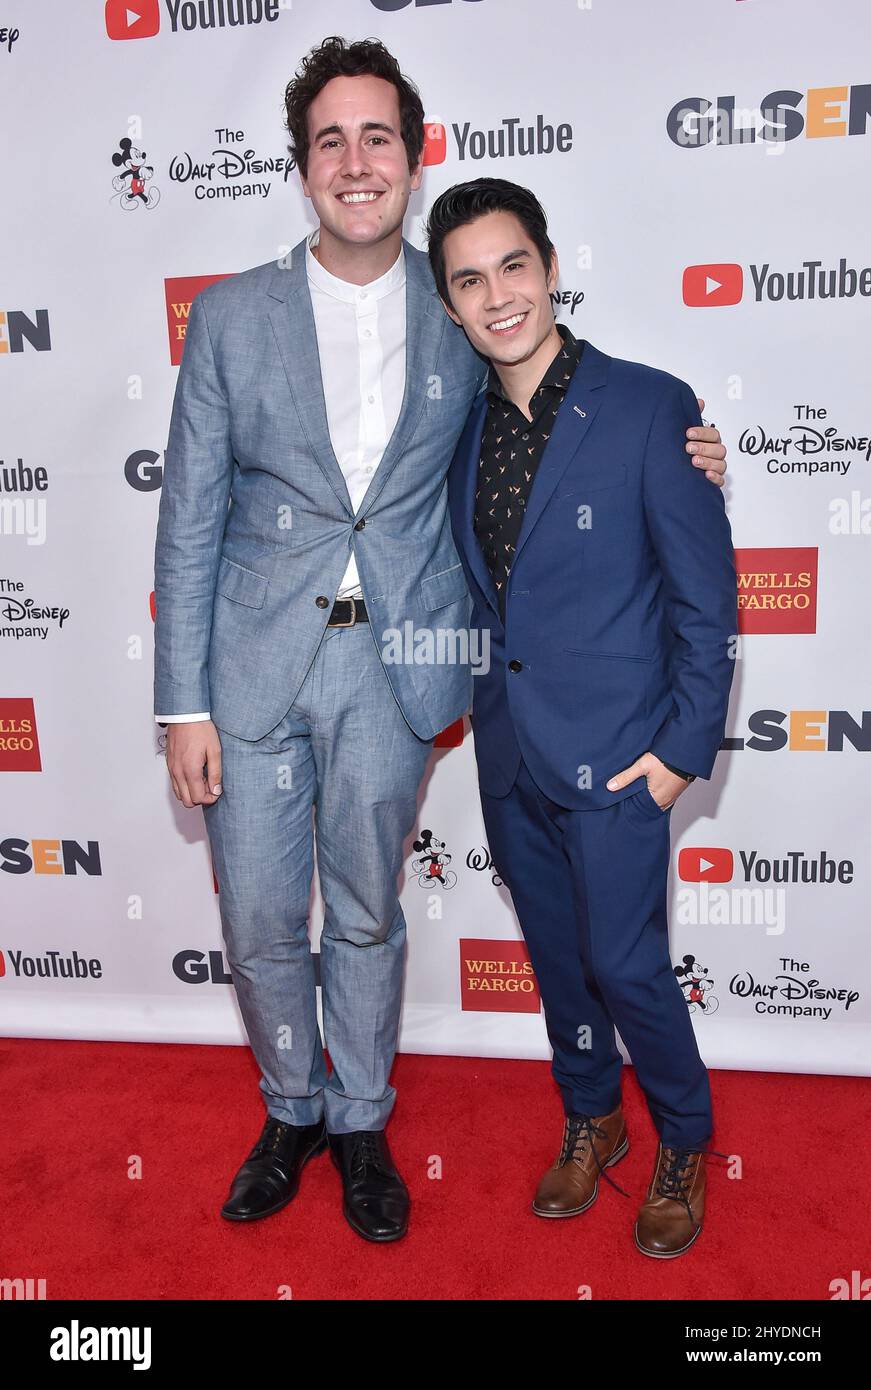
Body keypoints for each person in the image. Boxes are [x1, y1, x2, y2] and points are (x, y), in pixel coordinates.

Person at [153, 37, 728, 1245]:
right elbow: (188, 515)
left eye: (379, 137)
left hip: (398, 662)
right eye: (330, 140)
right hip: (251, 665)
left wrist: (695, 449)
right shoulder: (230, 317)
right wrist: (181, 704)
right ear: (301, 165)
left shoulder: (455, 300)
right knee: (259, 917)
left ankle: (360, 1123)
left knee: (365, 909)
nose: (356, 162)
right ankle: (290, 1108)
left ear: (414, 157)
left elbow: (575, 408)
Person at [428, 177, 737, 1258]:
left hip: (620, 756)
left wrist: (678, 753)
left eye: (513, 265)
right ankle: (593, 1116)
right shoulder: (456, 434)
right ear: (450, 303)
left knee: (628, 962)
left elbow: (706, 601)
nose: (497, 294)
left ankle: (685, 1138)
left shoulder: (651, 406)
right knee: (558, 959)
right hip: (511, 754)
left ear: (551, 267)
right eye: (468, 279)